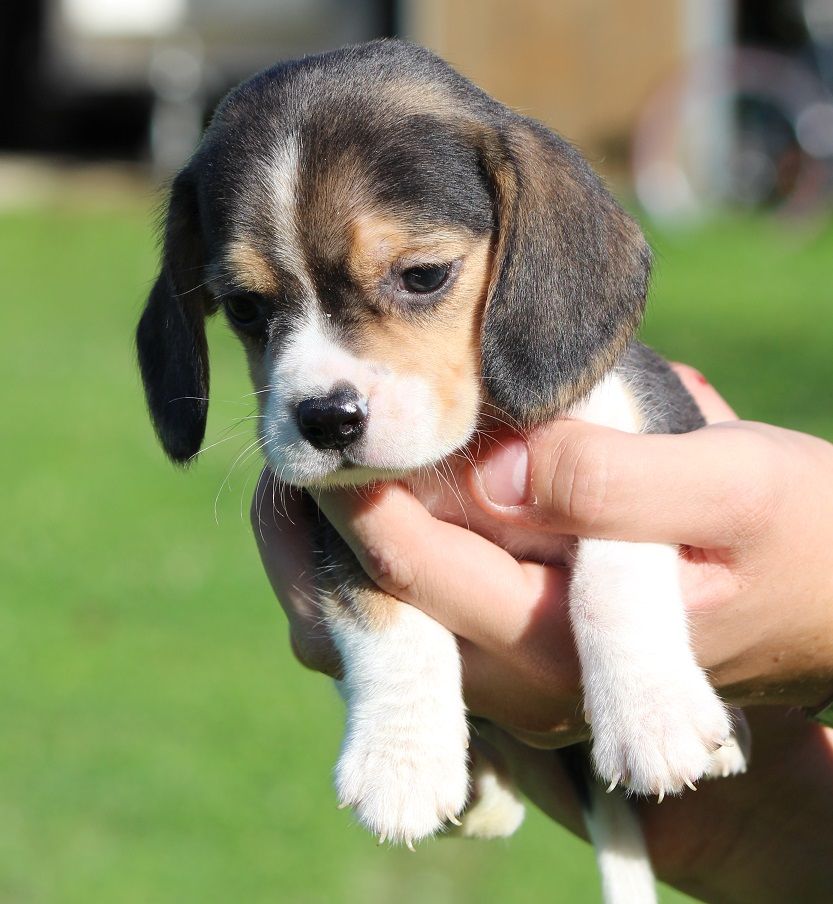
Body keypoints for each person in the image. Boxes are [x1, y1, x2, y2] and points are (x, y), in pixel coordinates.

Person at [252, 366, 833, 902]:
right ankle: (486, 744)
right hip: (768, 826)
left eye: (424, 277)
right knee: (379, 550)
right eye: (250, 313)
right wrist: (758, 820)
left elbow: (638, 515)